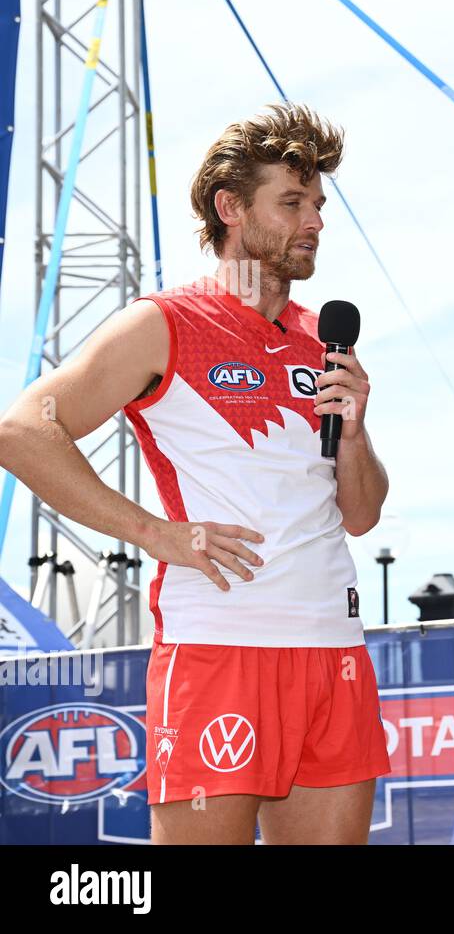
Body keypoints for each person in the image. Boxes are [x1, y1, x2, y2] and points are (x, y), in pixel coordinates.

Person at [0, 103, 391, 844]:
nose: (314, 221)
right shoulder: (163, 323)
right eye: (292, 202)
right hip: (219, 646)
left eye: (318, 204)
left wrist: (355, 434)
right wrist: (156, 534)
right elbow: (23, 431)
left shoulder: (321, 339)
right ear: (230, 208)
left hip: (332, 649)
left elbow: (363, 514)